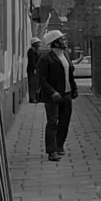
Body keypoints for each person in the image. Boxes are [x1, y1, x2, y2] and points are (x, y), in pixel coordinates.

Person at [36, 30, 79, 161]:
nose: (65, 42)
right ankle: (51, 150)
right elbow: (41, 79)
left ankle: (59, 145)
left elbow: (70, 75)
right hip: (52, 96)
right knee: (53, 122)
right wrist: (52, 92)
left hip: (66, 94)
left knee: (65, 121)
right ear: (56, 42)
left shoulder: (65, 55)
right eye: (62, 40)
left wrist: (74, 88)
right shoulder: (45, 59)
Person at [26, 37, 42, 102]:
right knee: (32, 84)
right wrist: (35, 68)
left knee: (36, 84)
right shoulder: (31, 51)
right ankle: (32, 98)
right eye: (38, 43)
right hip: (32, 70)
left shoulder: (37, 50)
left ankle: (36, 97)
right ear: (34, 44)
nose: (39, 44)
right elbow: (32, 61)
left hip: (37, 69)